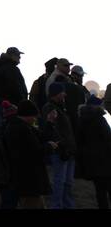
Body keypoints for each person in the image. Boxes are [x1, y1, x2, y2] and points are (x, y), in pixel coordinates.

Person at [4, 100, 52, 209]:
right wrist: (49, 147)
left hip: (27, 181)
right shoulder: (22, 130)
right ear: (27, 115)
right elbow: (34, 152)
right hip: (28, 181)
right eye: (34, 116)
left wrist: (49, 123)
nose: (35, 119)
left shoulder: (18, 127)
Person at [40, 81, 76, 209]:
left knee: (68, 183)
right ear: (56, 94)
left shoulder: (61, 107)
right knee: (60, 182)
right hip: (61, 151)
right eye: (62, 92)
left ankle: (67, 206)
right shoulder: (50, 108)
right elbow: (51, 130)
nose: (65, 94)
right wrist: (62, 146)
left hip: (68, 150)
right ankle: (57, 206)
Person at [75, 94, 111, 209]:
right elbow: (108, 138)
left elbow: (79, 140)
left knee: (99, 190)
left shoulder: (81, 120)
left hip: (90, 161)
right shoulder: (100, 120)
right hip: (105, 160)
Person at [0, 47, 28, 141]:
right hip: (13, 106)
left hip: (4, 104)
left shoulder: (0, 68)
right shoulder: (12, 69)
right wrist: (22, 103)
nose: (19, 57)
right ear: (12, 56)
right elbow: (15, 88)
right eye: (18, 55)